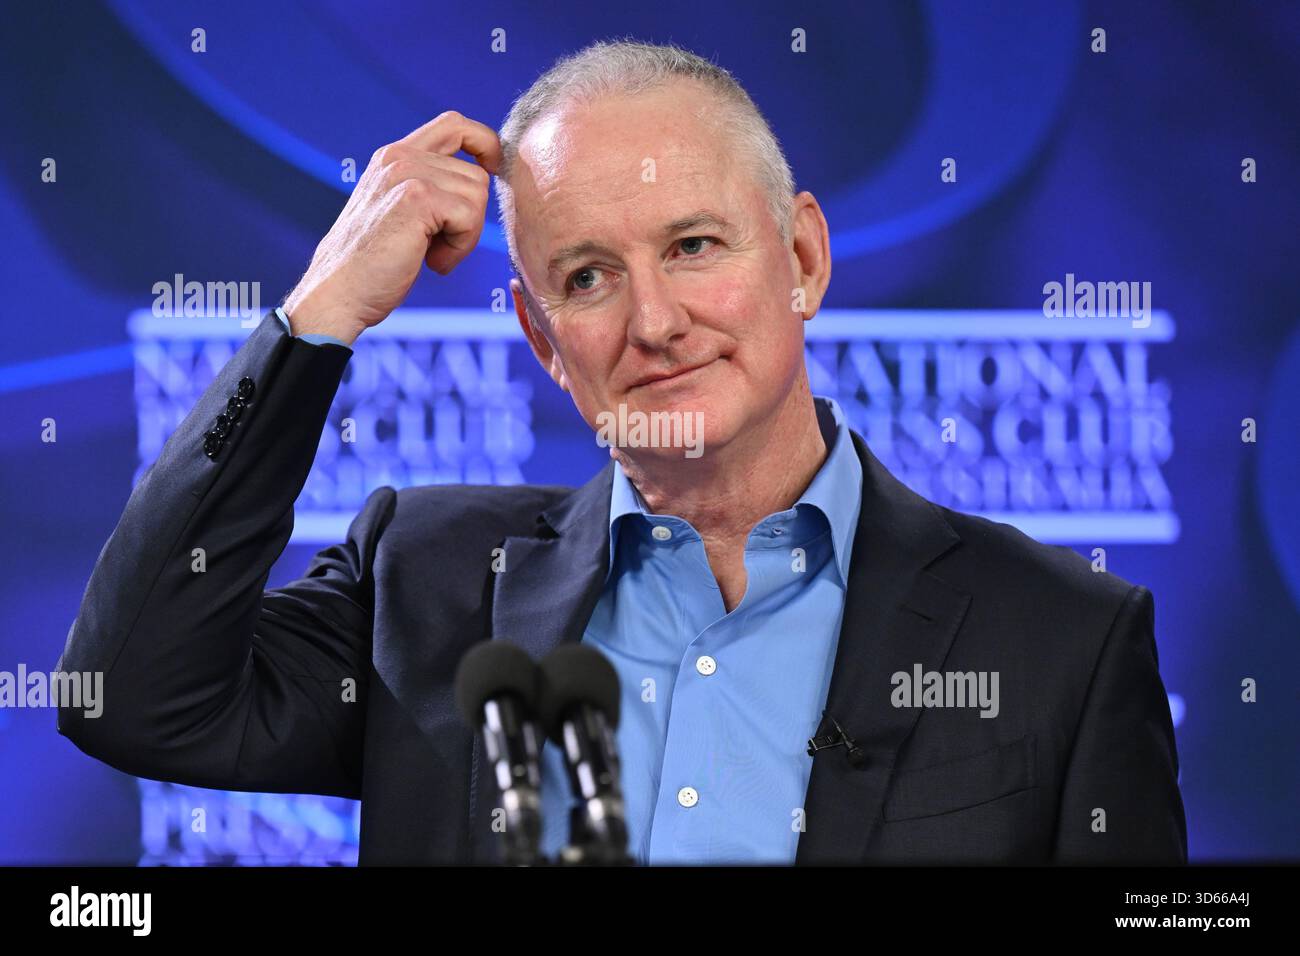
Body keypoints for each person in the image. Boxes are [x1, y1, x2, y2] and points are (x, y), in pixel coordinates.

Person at [56, 39, 1186, 865]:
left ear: (800, 255)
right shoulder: (428, 579)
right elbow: (131, 694)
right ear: (542, 340)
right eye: (586, 277)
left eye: (693, 246)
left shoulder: (1063, 639)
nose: (653, 320)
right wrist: (319, 314)